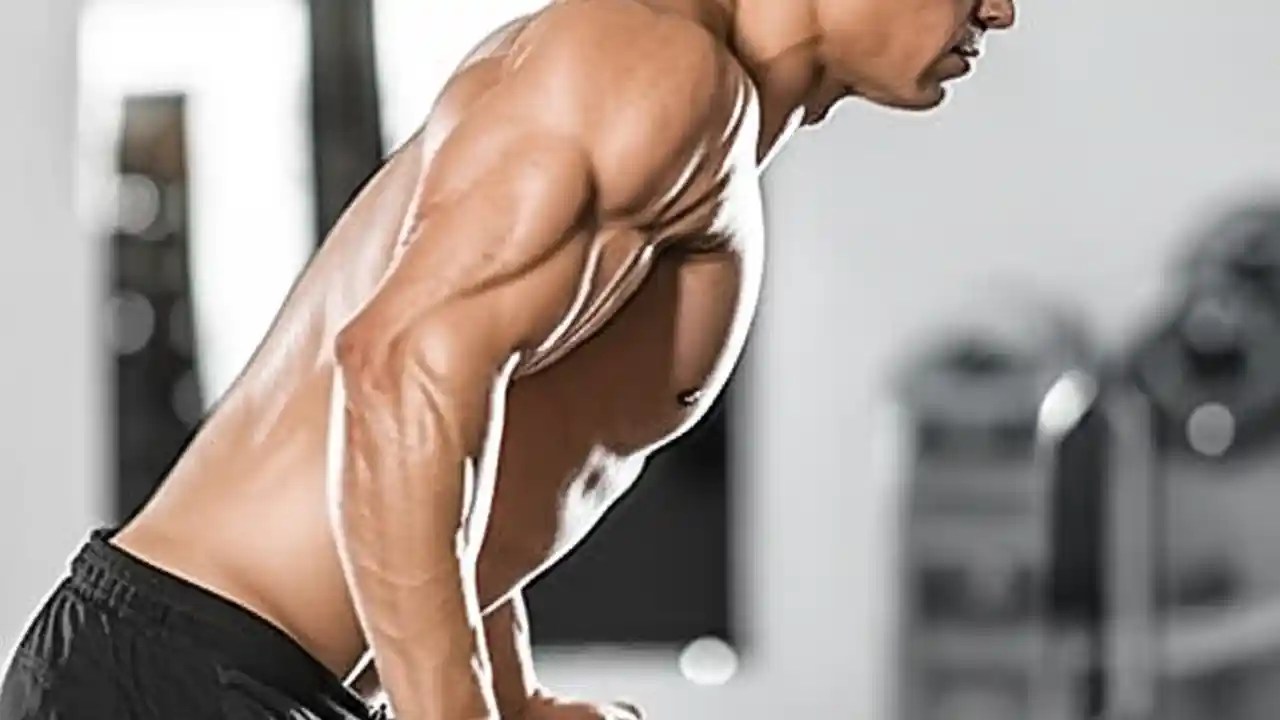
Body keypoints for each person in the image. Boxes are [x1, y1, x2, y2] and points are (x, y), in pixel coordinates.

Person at [0, 0, 1015, 718]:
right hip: (185, 676)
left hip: (232, 673)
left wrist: (504, 693)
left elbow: (490, 429)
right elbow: (401, 367)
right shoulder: (655, 72)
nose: (1001, 10)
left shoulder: (689, 104)